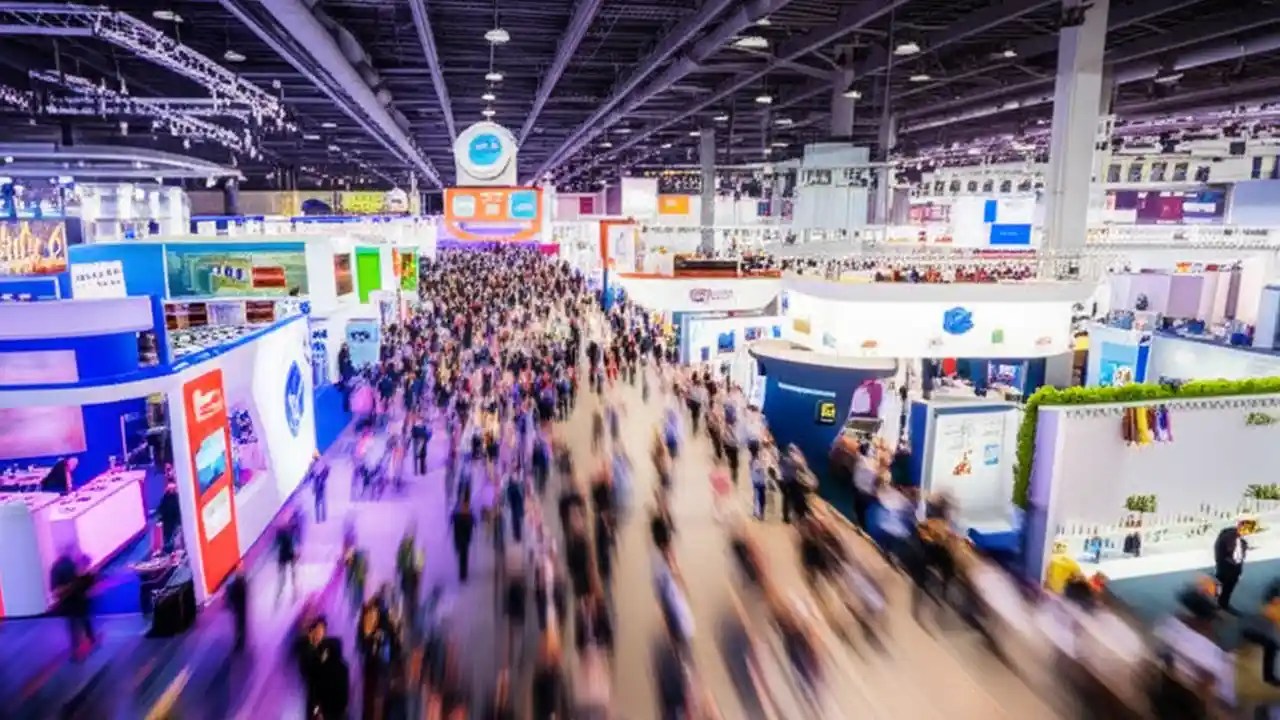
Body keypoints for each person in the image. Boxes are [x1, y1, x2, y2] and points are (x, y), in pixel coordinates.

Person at [300, 616, 350, 719]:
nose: (319, 632)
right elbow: (307, 671)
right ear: (312, 631)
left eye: (322, 630)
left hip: (329, 705)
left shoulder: (330, 647)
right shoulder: (307, 649)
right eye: (317, 629)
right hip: (315, 701)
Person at [50, 546, 95, 660]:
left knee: (73, 625)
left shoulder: (56, 568)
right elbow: (87, 581)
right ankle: (90, 640)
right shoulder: (75, 566)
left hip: (68, 602)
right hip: (78, 600)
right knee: (82, 620)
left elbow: (55, 590)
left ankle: (76, 650)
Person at [1213, 520, 1248, 612]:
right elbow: (1231, 553)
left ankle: (1221, 603)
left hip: (1231, 568)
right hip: (1227, 567)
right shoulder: (1230, 537)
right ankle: (1218, 604)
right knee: (1222, 584)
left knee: (1226, 586)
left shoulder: (1237, 538)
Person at [451, 497, 476, 583]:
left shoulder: (458, 515)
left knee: (463, 557)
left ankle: (463, 575)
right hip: (463, 539)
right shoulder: (468, 515)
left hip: (461, 539)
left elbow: (452, 520)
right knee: (463, 557)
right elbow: (473, 523)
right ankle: (463, 575)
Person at [275, 518, 300, 605]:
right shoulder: (284, 534)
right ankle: (283, 596)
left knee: (290, 577)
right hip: (287, 556)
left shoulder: (285, 534)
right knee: (286, 578)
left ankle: (293, 594)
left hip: (287, 556)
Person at [227, 563, 248, 653]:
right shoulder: (242, 582)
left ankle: (239, 641)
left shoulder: (237, 583)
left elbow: (233, 596)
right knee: (241, 624)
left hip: (239, 607)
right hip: (241, 607)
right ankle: (240, 640)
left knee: (239, 625)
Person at [156, 480, 183, 551]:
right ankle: (167, 548)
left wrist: (179, 520)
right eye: (170, 489)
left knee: (174, 534)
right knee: (167, 535)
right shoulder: (165, 497)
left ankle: (172, 548)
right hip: (167, 520)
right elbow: (161, 508)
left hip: (174, 520)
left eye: (173, 489)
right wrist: (160, 519)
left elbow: (179, 508)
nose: (172, 490)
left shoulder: (177, 497)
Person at [310, 453, 330, 523]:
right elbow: (311, 474)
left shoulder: (319, 463)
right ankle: (320, 517)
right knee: (320, 501)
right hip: (319, 483)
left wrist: (323, 477)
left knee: (320, 501)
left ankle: (321, 517)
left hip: (320, 483)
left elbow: (327, 470)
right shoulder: (314, 464)